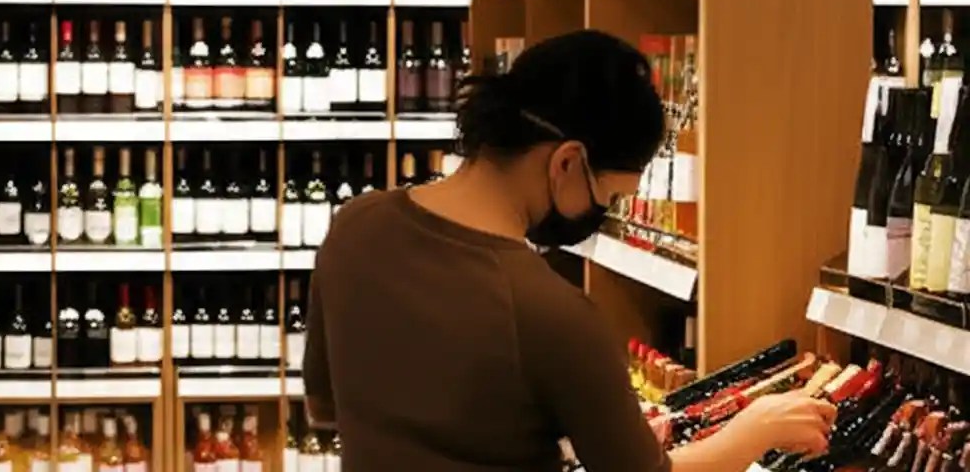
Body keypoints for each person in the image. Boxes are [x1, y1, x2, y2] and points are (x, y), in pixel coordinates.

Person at [302, 30, 836, 472]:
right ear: (565, 162)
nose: (604, 211)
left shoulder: (355, 225)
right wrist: (755, 430)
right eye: (610, 196)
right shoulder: (549, 311)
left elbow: (324, 408)